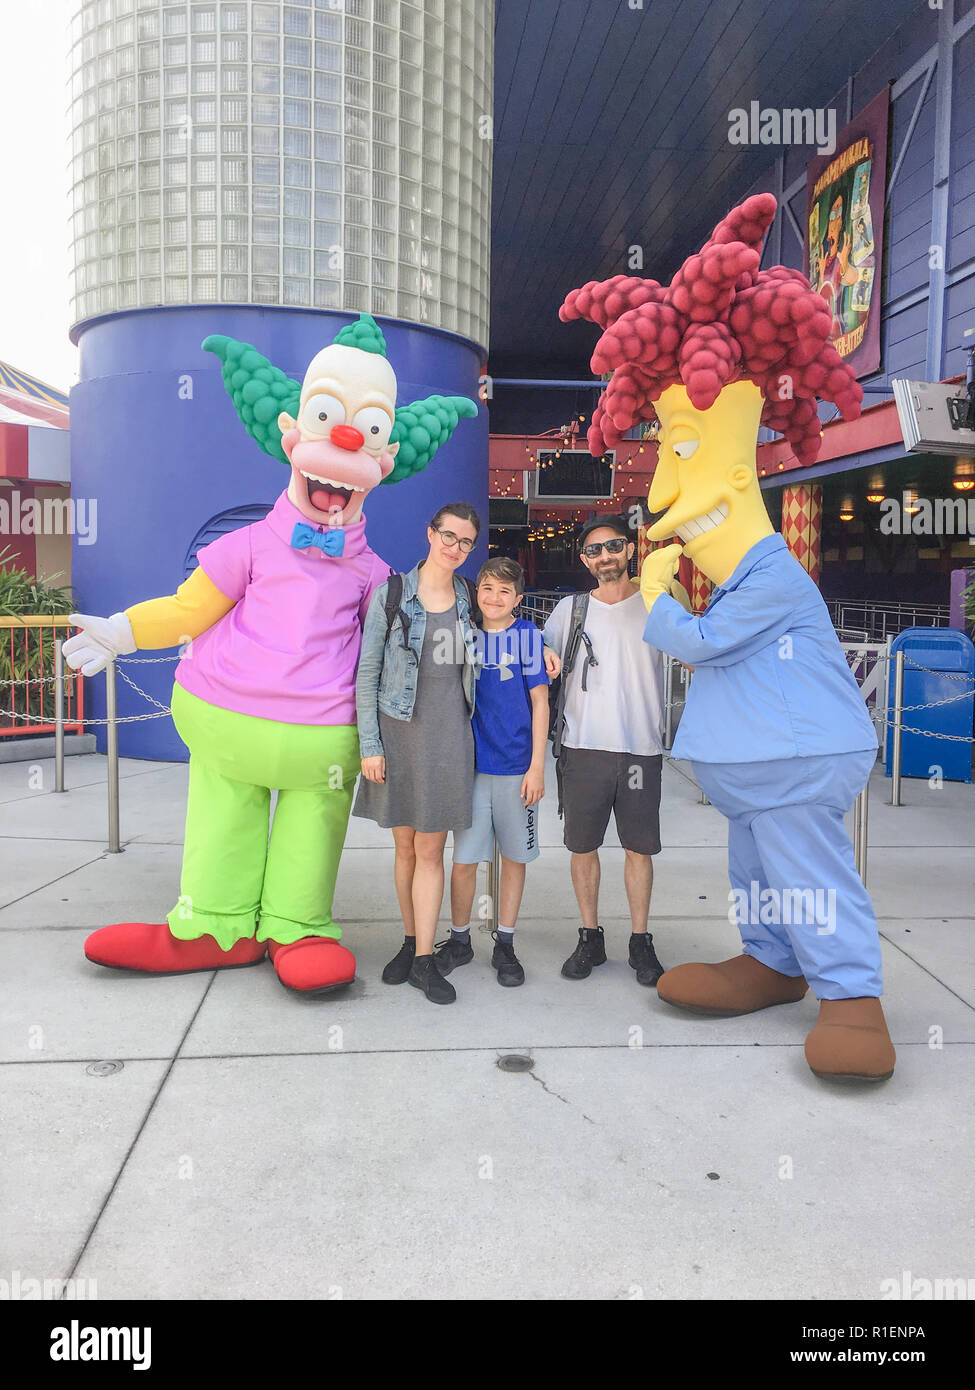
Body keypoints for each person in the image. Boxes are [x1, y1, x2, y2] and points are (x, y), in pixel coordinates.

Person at [354, 503, 481, 1005]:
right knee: (403, 848)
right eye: (449, 536)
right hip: (397, 732)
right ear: (430, 534)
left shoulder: (469, 597)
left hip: (449, 738)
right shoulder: (390, 595)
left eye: (466, 542)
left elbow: (502, 639)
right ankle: (411, 942)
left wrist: (541, 652)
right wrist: (370, 746)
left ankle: (426, 960)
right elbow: (367, 675)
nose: (455, 548)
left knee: (430, 851)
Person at [543, 515, 668, 986]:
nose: (605, 557)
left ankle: (641, 940)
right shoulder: (570, 610)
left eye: (614, 546)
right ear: (584, 559)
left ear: (631, 549)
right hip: (583, 748)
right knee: (583, 847)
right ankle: (589, 936)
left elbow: (699, 656)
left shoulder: (659, 606)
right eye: (594, 551)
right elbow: (540, 658)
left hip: (641, 749)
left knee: (640, 849)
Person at [437, 557, 550, 987]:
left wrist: (538, 766)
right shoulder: (465, 635)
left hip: (517, 767)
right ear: (476, 594)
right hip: (471, 769)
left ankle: (505, 941)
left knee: (514, 857)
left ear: (518, 600)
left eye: (505, 591)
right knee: (464, 860)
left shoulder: (527, 637)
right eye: (487, 588)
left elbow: (540, 702)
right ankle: (461, 938)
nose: (495, 597)